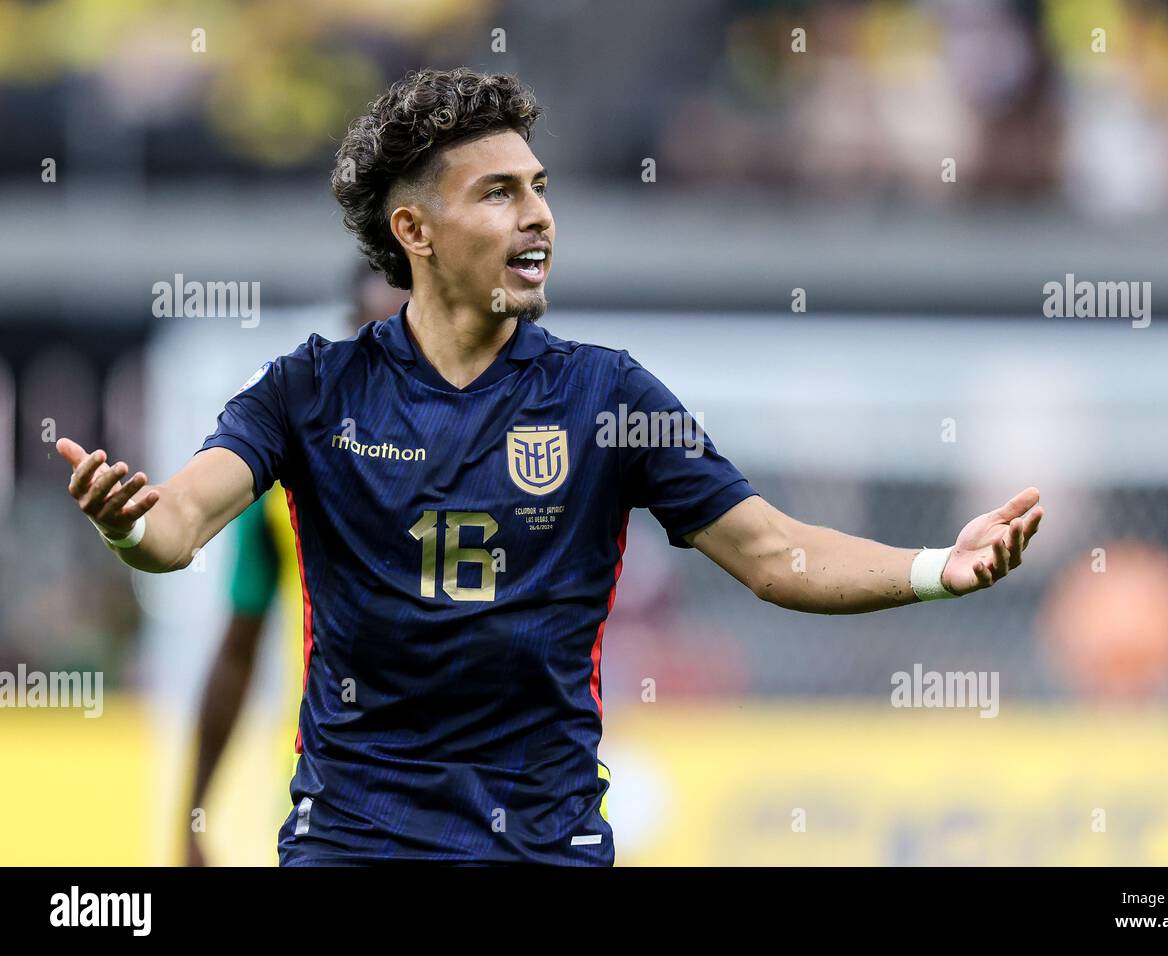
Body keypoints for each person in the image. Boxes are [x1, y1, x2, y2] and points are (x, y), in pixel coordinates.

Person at [58, 67, 1043, 865]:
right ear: (416, 233)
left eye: (540, 188)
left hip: (543, 841)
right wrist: (127, 523)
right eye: (500, 192)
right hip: (353, 840)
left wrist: (932, 568)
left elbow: (772, 551)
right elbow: (178, 524)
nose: (539, 217)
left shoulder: (608, 395)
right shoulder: (308, 389)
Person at [183, 262, 407, 866]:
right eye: (377, 334)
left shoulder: (496, 460)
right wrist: (194, 813)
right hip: (331, 794)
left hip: (482, 798)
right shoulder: (291, 483)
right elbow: (237, 647)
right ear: (351, 334)